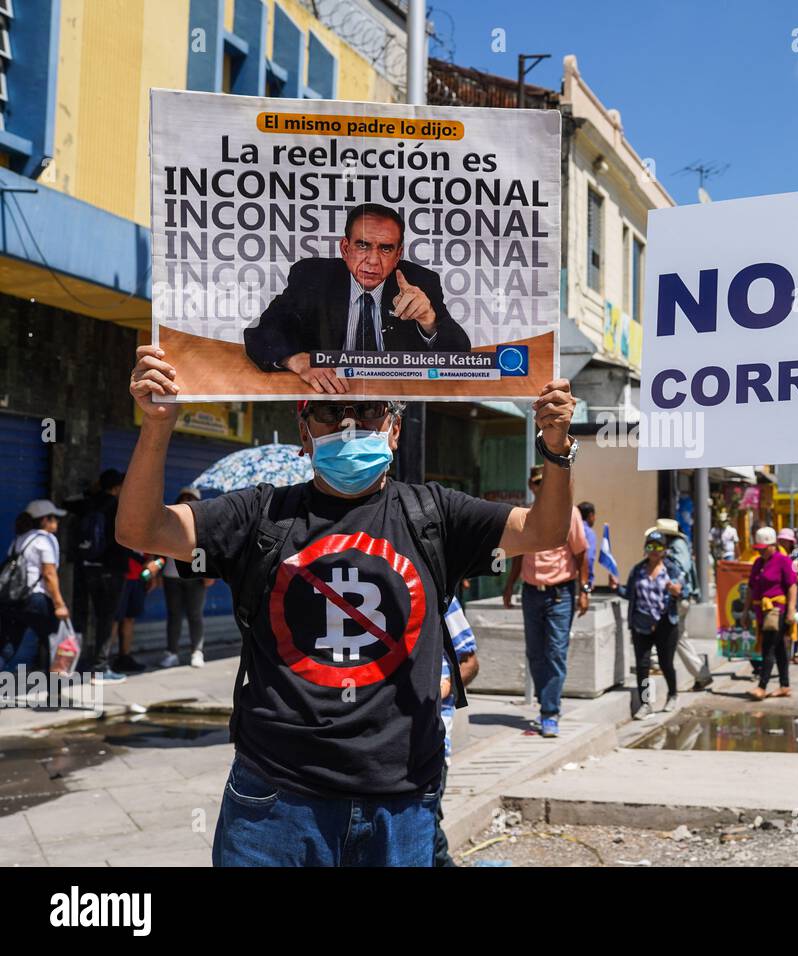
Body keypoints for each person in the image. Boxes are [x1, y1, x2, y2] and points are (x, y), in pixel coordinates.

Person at [119, 342, 578, 867]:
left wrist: (556, 447)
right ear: (305, 430)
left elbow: (544, 531)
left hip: (401, 802)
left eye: (367, 410)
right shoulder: (261, 514)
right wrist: (156, 427)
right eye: (329, 411)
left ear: (395, 429)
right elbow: (140, 529)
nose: (349, 424)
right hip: (275, 800)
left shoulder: (437, 515)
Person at [243, 202, 471, 394]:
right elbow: (263, 332)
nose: (372, 260)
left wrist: (429, 321)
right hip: (328, 399)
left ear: (398, 255)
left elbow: (461, 356)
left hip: (396, 403)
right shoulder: (313, 277)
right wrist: (297, 361)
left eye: (385, 249)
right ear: (345, 248)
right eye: (362, 245)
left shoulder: (420, 282)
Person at [502, 466, 589, 738]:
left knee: (554, 652)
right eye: (537, 483)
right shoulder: (526, 514)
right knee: (535, 653)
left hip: (560, 593)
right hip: (531, 592)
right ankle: (546, 699)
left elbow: (581, 553)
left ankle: (549, 712)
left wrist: (584, 589)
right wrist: (509, 585)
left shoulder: (569, 513)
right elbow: (519, 553)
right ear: (531, 485)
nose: (541, 487)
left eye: (545, 482)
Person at [617, 530, 685, 719]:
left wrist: (676, 591)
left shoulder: (671, 569)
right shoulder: (638, 570)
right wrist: (616, 588)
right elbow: (629, 593)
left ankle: (673, 694)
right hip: (642, 623)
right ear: (645, 549)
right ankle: (646, 703)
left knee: (665, 663)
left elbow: (683, 590)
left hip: (665, 623)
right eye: (650, 546)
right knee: (642, 665)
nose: (654, 551)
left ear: (664, 550)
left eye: (658, 547)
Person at [72, 469, 129, 685]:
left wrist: (91, 490)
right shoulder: (119, 506)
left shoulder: (88, 503)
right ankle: (100, 668)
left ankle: (80, 663)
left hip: (88, 567)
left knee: (85, 614)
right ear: (116, 488)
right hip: (112, 569)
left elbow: (68, 502)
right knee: (106, 619)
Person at [434, 595, 479, 867]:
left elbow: (470, 662)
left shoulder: (438, 595)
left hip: (428, 740)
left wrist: (441, 689)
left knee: (427, 833)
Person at [1, 500, 69, 676]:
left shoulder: (19, 539)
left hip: (13, 601)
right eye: (54, 518)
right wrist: (59, 604)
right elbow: (49, 574)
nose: (57, 522)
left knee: (7, 647)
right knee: (56, 646)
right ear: (44, 520)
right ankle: (54, 696)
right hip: (36, 600)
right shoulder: (46, 539)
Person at [650, 517, 714, 691]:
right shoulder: (678, 544)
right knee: (678, 637)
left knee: (674, 637)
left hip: (678, 599)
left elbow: (682, 567)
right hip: (678, 599)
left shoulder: (677, 546)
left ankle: (701, 674)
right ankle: (700, 674)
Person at [160, 487, 211, 669]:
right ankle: (171, 652)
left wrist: (209, 574)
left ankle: (197, 651)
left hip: (195, 576)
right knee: (174, 616)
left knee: (195, 615)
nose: (187, 501)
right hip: (171, 576)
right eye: (184, 497)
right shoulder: (168, 520)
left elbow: (208, 547)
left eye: (191, 498)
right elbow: (159, 546)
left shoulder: (203, 521)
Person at [746, 526, 798, 701]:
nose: (760, 552)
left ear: (772, 545)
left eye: (763, 549)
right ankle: (785, 685)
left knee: (769, 648)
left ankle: (762, 686)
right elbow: (751, 587)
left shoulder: (784, 561)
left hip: (777, 611)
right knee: (780, 649)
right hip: (762, 611)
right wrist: (746, 610)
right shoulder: (758, 563)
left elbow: (792, 585)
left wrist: (791, 610)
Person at [777, 527, 798, 664]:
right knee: (783, 625)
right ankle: (785, 654)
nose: (783, 543)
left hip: (797, 593)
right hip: (782, 593)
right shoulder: (777, 555)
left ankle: (796, 652)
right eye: (781, 540)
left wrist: (797, 577)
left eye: (786, 541)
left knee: (796, 623)